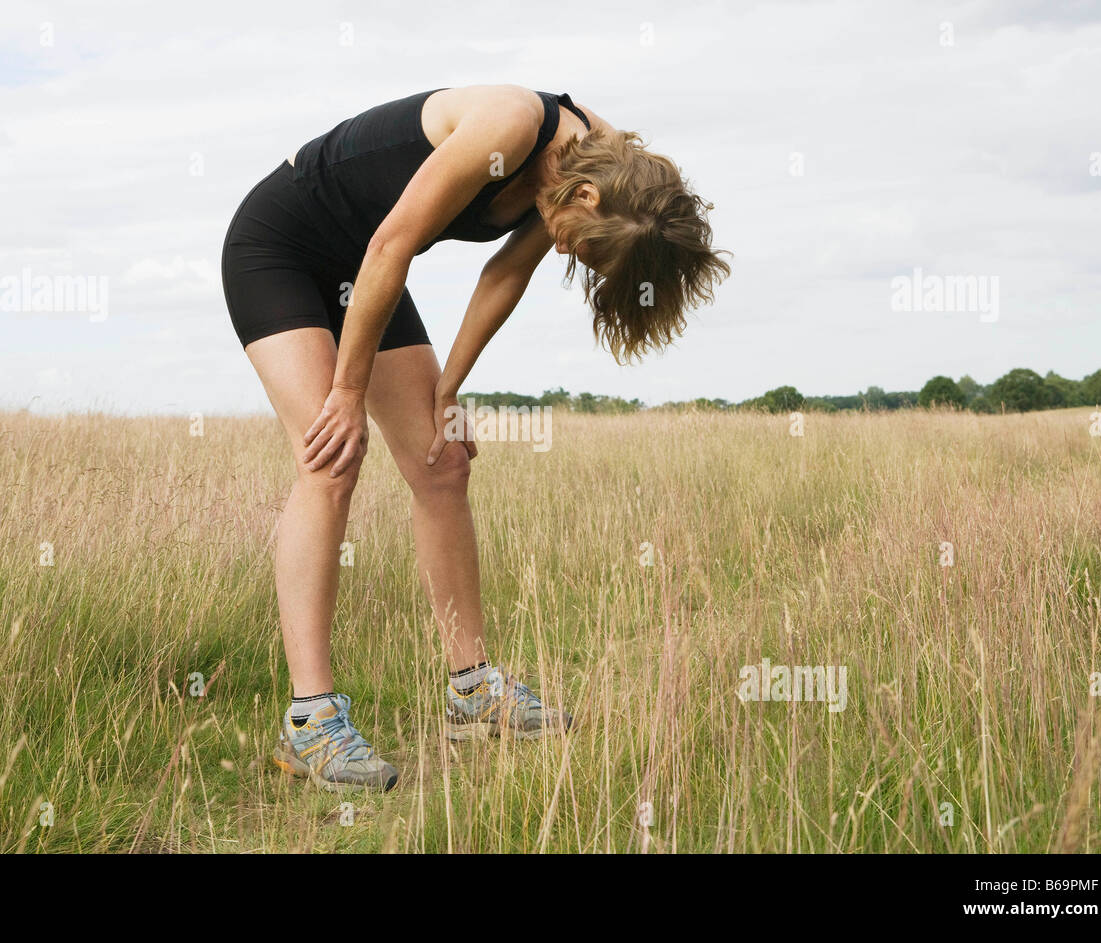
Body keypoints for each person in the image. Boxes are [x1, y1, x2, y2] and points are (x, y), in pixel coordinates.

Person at [220, 84, 730, 792]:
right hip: (281, 246)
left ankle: (472, 690)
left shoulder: (611, 175)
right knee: (334, 456)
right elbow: (391, 243)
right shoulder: (511, 125)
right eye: (584, 249)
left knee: (443, 459)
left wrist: (447, 390)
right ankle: (311, 720)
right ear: (585, 199)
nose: (572, 257)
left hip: (363, 266)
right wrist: (345, 392)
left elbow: (503, 272)